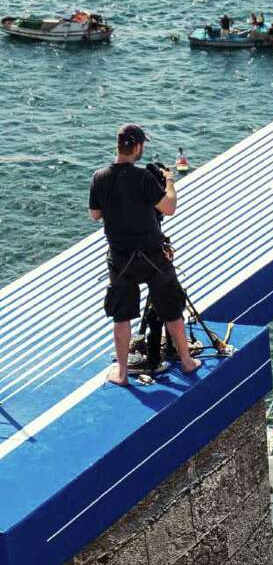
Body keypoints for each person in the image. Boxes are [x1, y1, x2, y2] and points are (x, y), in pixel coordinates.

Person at [89, 123, 199, 386]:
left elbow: (95, 215)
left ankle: (123, 373)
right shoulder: (143, 178)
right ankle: (186, 361)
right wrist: (170, 182)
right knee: (171, 309)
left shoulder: (99, 177)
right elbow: (169, 207)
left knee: (122, 316)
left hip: (121, 259)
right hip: (153, 257)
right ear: (136, 146)